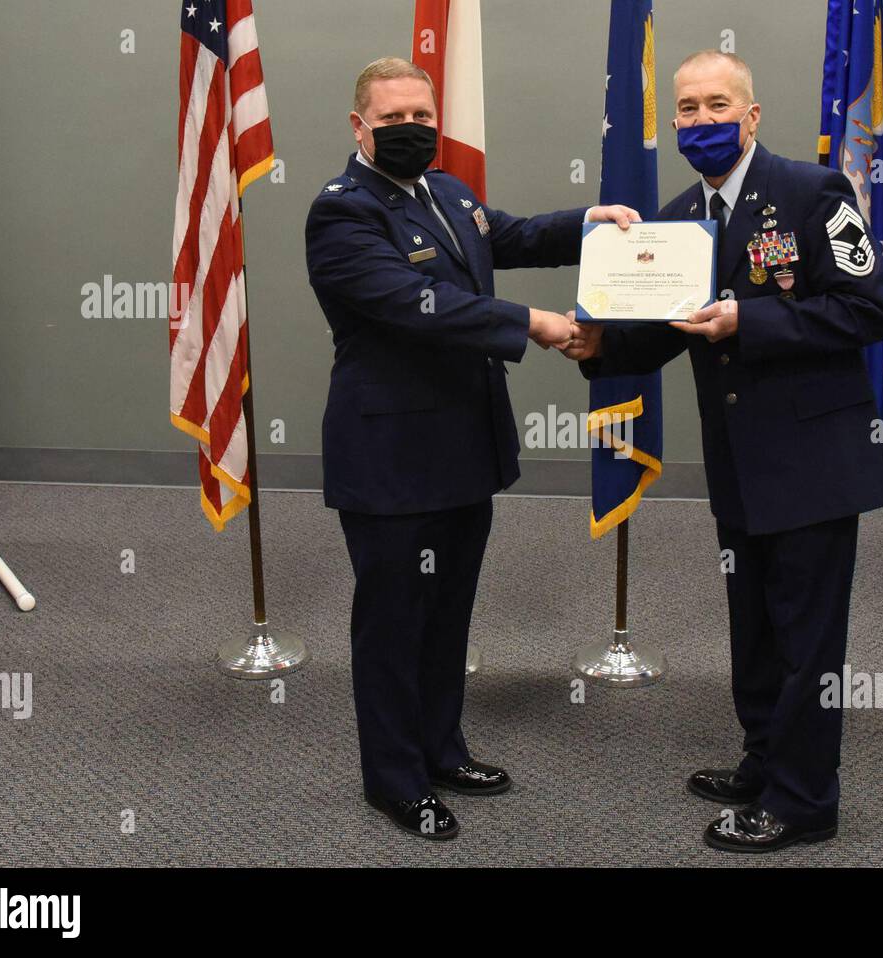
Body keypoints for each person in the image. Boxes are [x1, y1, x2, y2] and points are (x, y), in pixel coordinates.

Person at [564, 50, 883, 853]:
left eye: (718, 105)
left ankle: (807, 800)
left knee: (808, 636)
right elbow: (662, 330)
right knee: (754, 628)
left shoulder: (813, 192)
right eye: (687, 108)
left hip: (815, 460)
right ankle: (763, 759)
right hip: (740, 463)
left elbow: (867, 308)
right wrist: (597, 349)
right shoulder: (680, 219)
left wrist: (752, 321)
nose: (702, 120)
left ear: (752, 117)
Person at [304, 57, 638, 841]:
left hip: (460, 445)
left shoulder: (447, 192)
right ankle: (393, 780)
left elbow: (508, 236)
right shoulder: (343, 214)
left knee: (449, 610)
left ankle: (442, 747)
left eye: (423, 116)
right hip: (388, 458)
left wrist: (587, 222)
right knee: (392, 623)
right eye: (393, 120)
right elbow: (420, 305)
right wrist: (534, 323)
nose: (412, 130)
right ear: (359, 127)